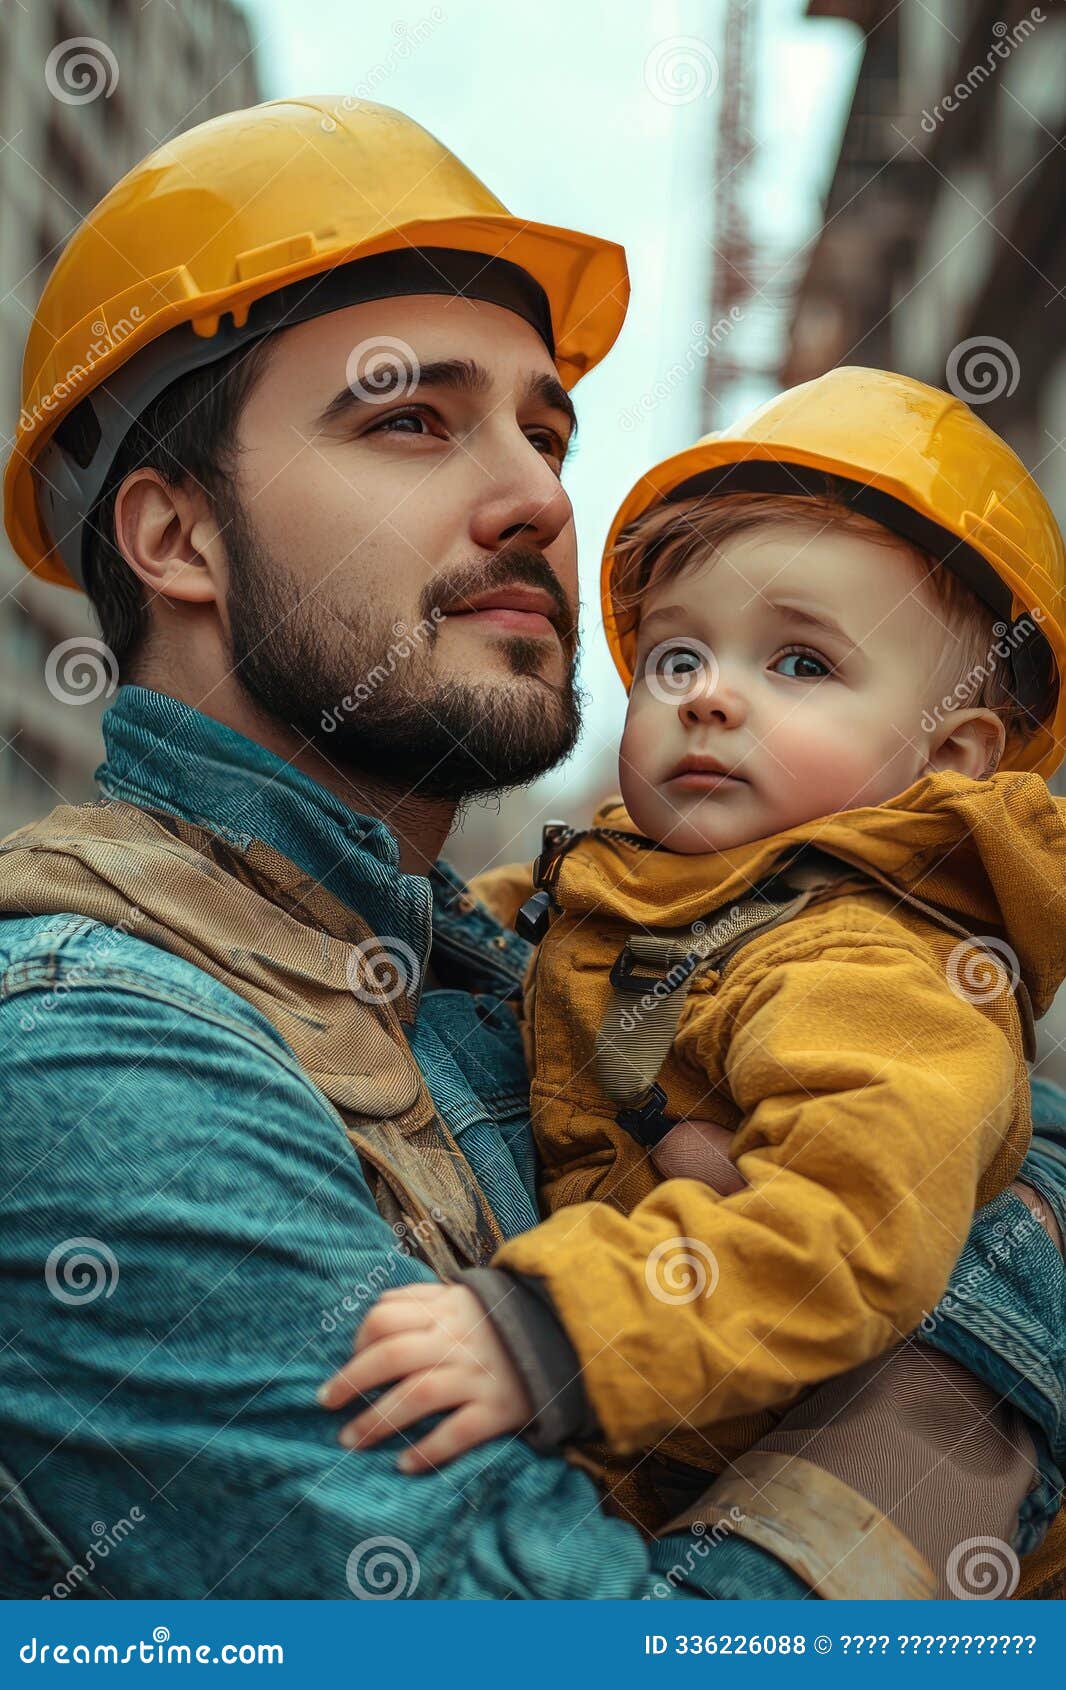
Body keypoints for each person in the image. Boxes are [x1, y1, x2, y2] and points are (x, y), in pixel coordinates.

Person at [0, 96, 1061, 1601]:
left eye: (544, 428)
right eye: (409, 419)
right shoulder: (86, 1060)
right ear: (176, 537)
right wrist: (992, 1320)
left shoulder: (528, 958)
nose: (540, 500)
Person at [322, 370, 1066, 1598]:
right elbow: (535, 940)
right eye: (675, 656)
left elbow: (851, 1228)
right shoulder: (652, 879)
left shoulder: (871, 967)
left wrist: (561, 1331)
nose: (708, 694)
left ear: (948, 756)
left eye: (800, 663)